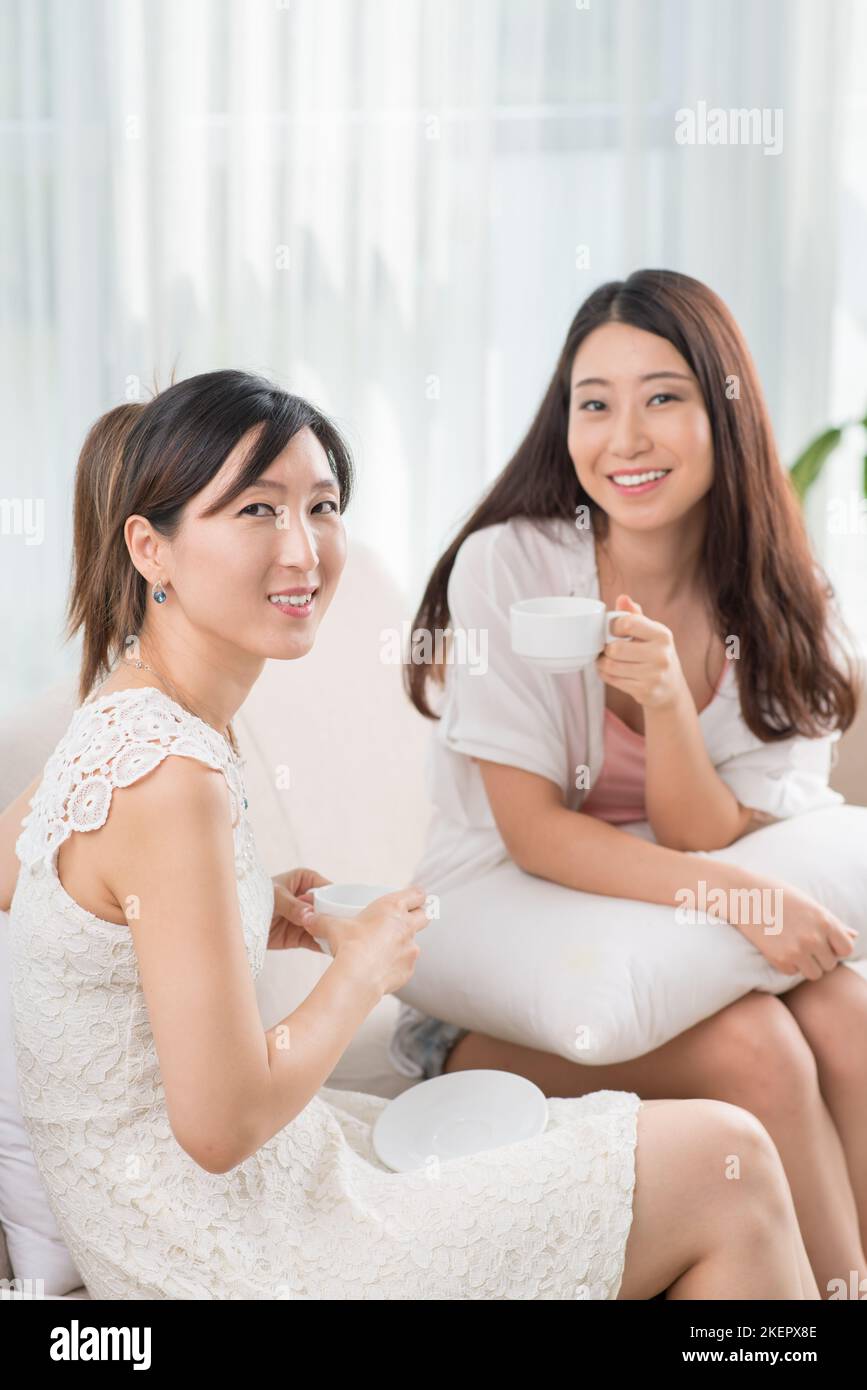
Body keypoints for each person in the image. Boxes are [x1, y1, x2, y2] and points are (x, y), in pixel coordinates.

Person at [0, 369, 816, 1298]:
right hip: (228, 1254)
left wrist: (223, 912)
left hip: (199, 1215)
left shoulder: (123, 714)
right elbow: (220, 1128)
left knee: (701, 1153)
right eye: (258, 511)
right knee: (730, 1166)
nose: (303, 549)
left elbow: (34, 879)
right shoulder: (168, 777)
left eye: (322, 505)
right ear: (150, 549)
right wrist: (361, 971)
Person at [394, 269, 867, 1297]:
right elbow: (536, 836)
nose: (624, 438)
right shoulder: (507, 569)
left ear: (723, 410)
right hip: (504, 1011)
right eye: (593, 404)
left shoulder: (782, 597)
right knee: (760, 1048)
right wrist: (752, 900)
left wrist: (662, 705)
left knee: (844, 1017)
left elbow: (704, 828)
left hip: (669, 955)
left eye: (663, 397)